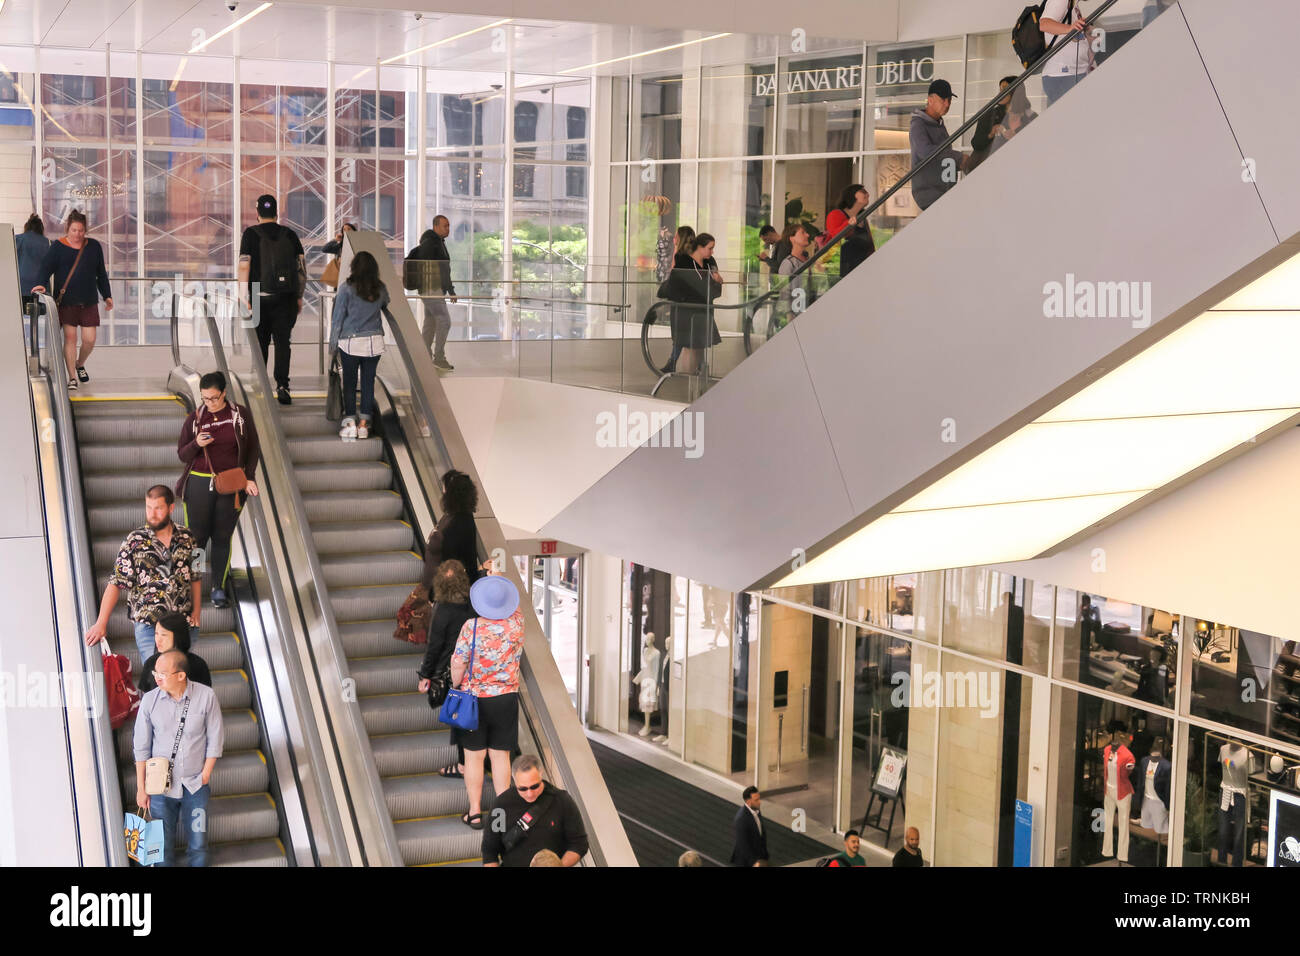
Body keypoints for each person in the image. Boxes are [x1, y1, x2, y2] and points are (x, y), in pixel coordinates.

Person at [84, 486, 201, 665]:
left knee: (180, 678)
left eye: (158, 508)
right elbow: (116, 582)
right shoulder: (134, 540)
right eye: (148, 507)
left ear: (171, 508)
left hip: (182, 624)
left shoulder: (189, 537)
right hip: (148, 626)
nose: (152, 514)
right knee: (157, 677)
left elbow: (197, 575)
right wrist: (101, 623)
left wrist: (197, 611)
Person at [176, 371, 261, 609]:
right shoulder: (194, 418)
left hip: (231, 483)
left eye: (214, 398)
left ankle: (218, 587)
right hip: (199, 483)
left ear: (224, 393)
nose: (210, 403)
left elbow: (253, 447)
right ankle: (194, 584)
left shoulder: (239, 415)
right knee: (197, 539)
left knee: (222, 537)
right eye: (205, 398)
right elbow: (182, 454)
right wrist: (196, 443)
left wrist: (249, 477)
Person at [133, 649, 223, 867]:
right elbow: (141, 747)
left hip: (195, 786)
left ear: (180, 675)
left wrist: (205, 775)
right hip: (159, 789)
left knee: (199, 843)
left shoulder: (206, 696)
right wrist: (141, 788)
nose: (157, 677)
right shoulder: (149, 701)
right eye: (156, 672)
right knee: (159, 849)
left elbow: (216, 737)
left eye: (163, 673)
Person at [450, 573, 525, 830]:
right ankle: (502, 815)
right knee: (501, 756)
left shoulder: (471, 627)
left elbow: (458, 662)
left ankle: (474, 812)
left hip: (474, 700)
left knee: (474, 757)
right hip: (505, 699)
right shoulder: (517, 624)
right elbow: (516, 607)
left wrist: (456, 683)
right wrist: (501, 582)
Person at [30, 209, 112, 390]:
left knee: (89, 340)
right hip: (67, 301)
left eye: (81, 231)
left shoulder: (94, 247)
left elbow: (101, 274)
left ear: (86, 230)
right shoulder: (58, 247)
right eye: (74, 230)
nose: (77, 234)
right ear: (67, 228)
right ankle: (72, 378)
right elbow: (45, 268)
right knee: (70, 338)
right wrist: (41, 284)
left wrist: (107, 295)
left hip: (89, 300)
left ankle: (79, 363)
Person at [239, 194, 305, 405]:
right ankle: (283, 386)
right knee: (283, 343)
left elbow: (243, 266)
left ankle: (261, 386)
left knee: (260, 343)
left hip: (259, 295)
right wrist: (299, 296)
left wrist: (244, 296)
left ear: (257, 212)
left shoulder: (250, 234)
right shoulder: (291, 235)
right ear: (277, 212)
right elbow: (302, 269)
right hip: (286, 298)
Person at [417, 559, 476, 779]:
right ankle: (478, 757)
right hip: (478, 669)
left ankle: (463, 765)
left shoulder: (442, 609)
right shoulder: (475, 603)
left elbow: (434, 646)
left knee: (460, 718)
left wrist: (425, 675)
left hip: (452, 672)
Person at [482, 754, 588, 867]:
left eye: (534, 786)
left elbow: (579, 843)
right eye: (523, 788)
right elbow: (489, 851)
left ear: (541, 774)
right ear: (514, 781)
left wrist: (558, 866)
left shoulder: (562, 800)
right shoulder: (501, 806)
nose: (529, 793)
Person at [329, 250, 390, 441]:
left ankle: (350, 422)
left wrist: (332, 345)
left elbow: (337, 318)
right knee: (367, 382)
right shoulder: (380, 288)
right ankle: (364, 424)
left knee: (349, 383)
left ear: (354, 267)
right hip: (374, 342)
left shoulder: (346, 288)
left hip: (350, 342)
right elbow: (386, 302)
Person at [663, 232, 723, 376]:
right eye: (710, 248)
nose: (712, 251)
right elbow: (678, 284)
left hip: (702, 308)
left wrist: (717, 279)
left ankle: (698, 372)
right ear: (700, 247)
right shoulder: (684, 261)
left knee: (699, 342)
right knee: (688, 342)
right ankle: (689, 374)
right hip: (686, 308)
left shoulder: (710, 262)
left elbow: (717, 280)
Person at [405, 214, 458, 370]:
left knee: (430, 323)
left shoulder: (437, 242)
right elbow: (436, 269)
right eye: (445, 226)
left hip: (432, 288)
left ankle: (424, 357)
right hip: (431, 288)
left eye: (448, 225)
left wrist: (450, 290)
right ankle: (439, 358)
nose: (448, 229)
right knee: (444, 321)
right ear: (436, 226)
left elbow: (443, 269)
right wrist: (449, 289)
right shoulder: (431, 243)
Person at [909, 79, 970, 212]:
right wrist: (959, 159)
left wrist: (960, 164)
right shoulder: (918, 124)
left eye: (949, 100)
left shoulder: (938, 124)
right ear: (930, 100)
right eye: (943, 100)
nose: (947, 104)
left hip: (944, 191)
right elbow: (925, 152)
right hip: (930, 193)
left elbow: (943, 158)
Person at [422, 469, 481, 600]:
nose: (442, 491)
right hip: (432, 585)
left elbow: (458, 558)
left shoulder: (460, 522)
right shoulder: (451, 515)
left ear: (452, 494)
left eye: (444, 488)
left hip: (441, 592)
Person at [139, 612, 211, 694]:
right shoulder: (151, 662)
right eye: (156, 634)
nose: (158, 639)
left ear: (178, 636)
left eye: (163, 635)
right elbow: (145, 694)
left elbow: (206, 697)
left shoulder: (198, 665)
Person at [1040, 0, 1093, 107]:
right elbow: (1044, 24)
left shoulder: (1074, 6)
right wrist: (1069, 28)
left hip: (1072, 73)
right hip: (1063, 74)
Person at [822, 184, 875, 279]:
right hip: (840, 268)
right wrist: (848, 224)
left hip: (862, 269)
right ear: (852, 194)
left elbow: (869, 245)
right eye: (863, 192)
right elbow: (835, 236)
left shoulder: (863, 219)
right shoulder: (836, 214)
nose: (868, 195)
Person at [967, 77, 1015, 173]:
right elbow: (976, 144)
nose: (1001, 93)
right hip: (989, 170)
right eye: (1000, 89)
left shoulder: (1027, 117)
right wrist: (991, 134)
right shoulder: (989, 115)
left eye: (1005, 88)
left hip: (1013, 168)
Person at [776, 223, 815, 328]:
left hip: (810, 312)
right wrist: (789, 316)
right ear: (792, 239)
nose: (807, 235)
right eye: (802, 232)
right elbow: (784, 292)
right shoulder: (788, 263)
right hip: (796, 315)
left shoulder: (810, 261)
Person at [988, 82, 1037, 157]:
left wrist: (1017, 139)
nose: (1001, 94)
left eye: (1006, 91)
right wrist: (992, 134)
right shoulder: (997, 116)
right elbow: (992, 152)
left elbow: (1036, 145)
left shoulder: (1032, 117)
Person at [14, 213, 51, 309]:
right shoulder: (48, 243)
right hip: (41, 286)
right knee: (38, 317)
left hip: (20, 286)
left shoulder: (17, 239)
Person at [730, 786, 769, 867]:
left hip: (759, 858)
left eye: (759, 798)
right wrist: (754, 863)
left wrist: (765, 856)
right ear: (748, 801)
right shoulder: (741, 819)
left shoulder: (756, 809)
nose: (760, 802)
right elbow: (743, 844)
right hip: (747, 862)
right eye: (756, 800)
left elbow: (761, 833)